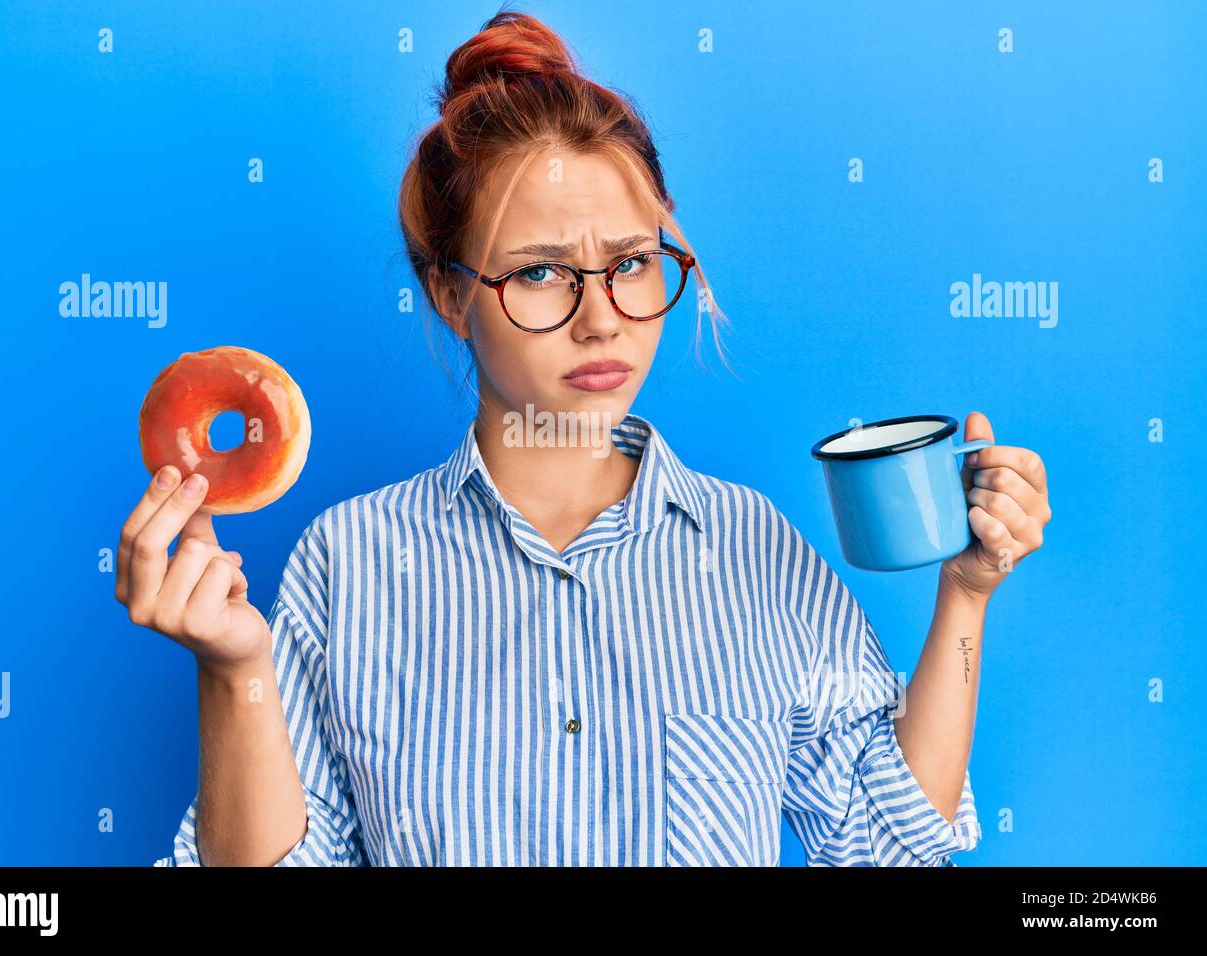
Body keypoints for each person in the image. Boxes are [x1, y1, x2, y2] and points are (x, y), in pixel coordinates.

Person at [120, 10, 1051, 867]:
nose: (603, 319)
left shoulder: (754, 548)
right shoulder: (351, 563)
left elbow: (887, 840)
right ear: (450, 295)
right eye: (540, 274)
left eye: (633, 264)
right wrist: (233, 668)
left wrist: (967, 596)